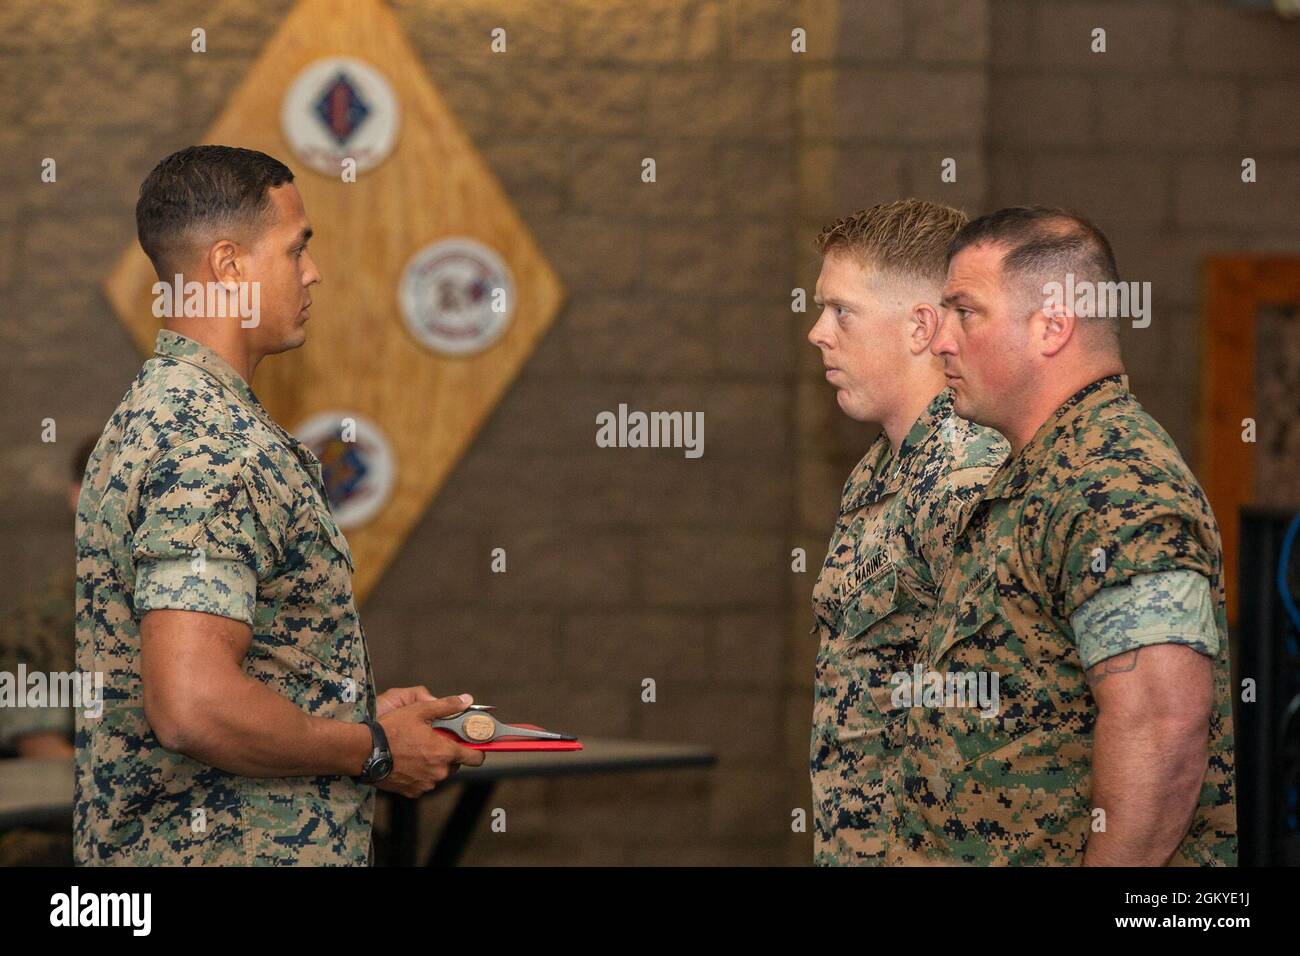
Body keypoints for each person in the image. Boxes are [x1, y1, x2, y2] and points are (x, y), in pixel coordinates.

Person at [75, 145, 484, 866]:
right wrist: (374, 749)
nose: (313, 271)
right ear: (229, 267)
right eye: (297, 249)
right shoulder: (207, 438)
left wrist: (335, 712)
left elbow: (220, 670)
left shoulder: (166, 410)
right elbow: (193, 704)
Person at [892, 206, 1236, 865]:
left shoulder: (1116, 483)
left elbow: (1163, 735)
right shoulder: (1045, 471)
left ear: (1052, 326)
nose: (941, 340)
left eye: (966, 311)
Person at [807, 199, 1008, 864]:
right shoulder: (877, 470)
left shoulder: (967, 474)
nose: (818, 332)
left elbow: (996, 719)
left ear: (921, 327)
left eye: (841, 311)